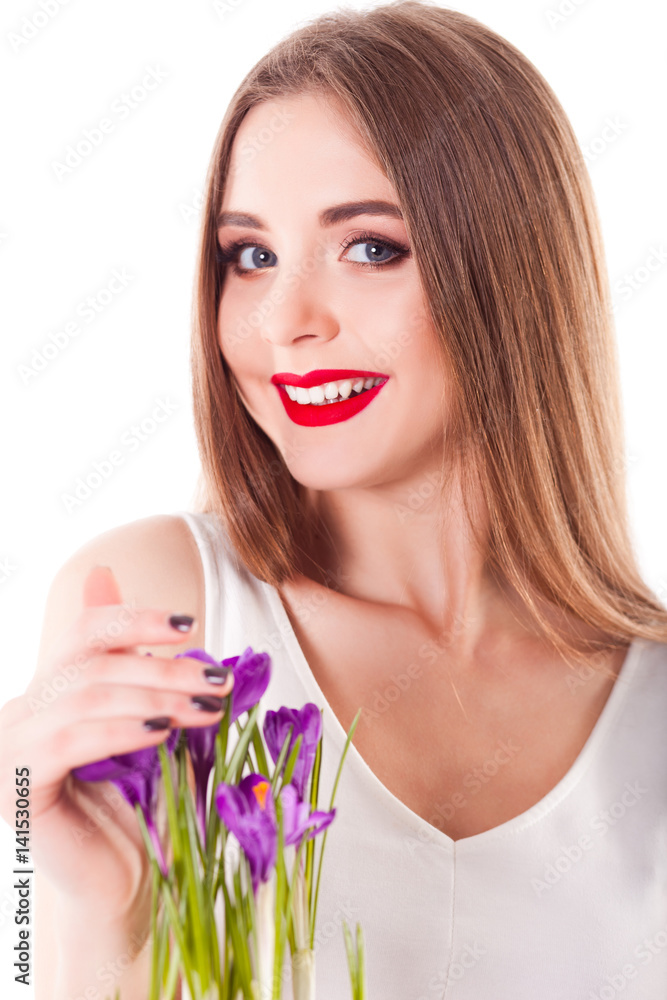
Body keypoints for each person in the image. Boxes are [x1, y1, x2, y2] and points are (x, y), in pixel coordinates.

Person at [1, 2, 666, 997]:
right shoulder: (164, 610)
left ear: (511, 272)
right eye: (251, 255)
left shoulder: (648, 703)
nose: (283, 321)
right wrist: (103, 902)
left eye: (369, 247)